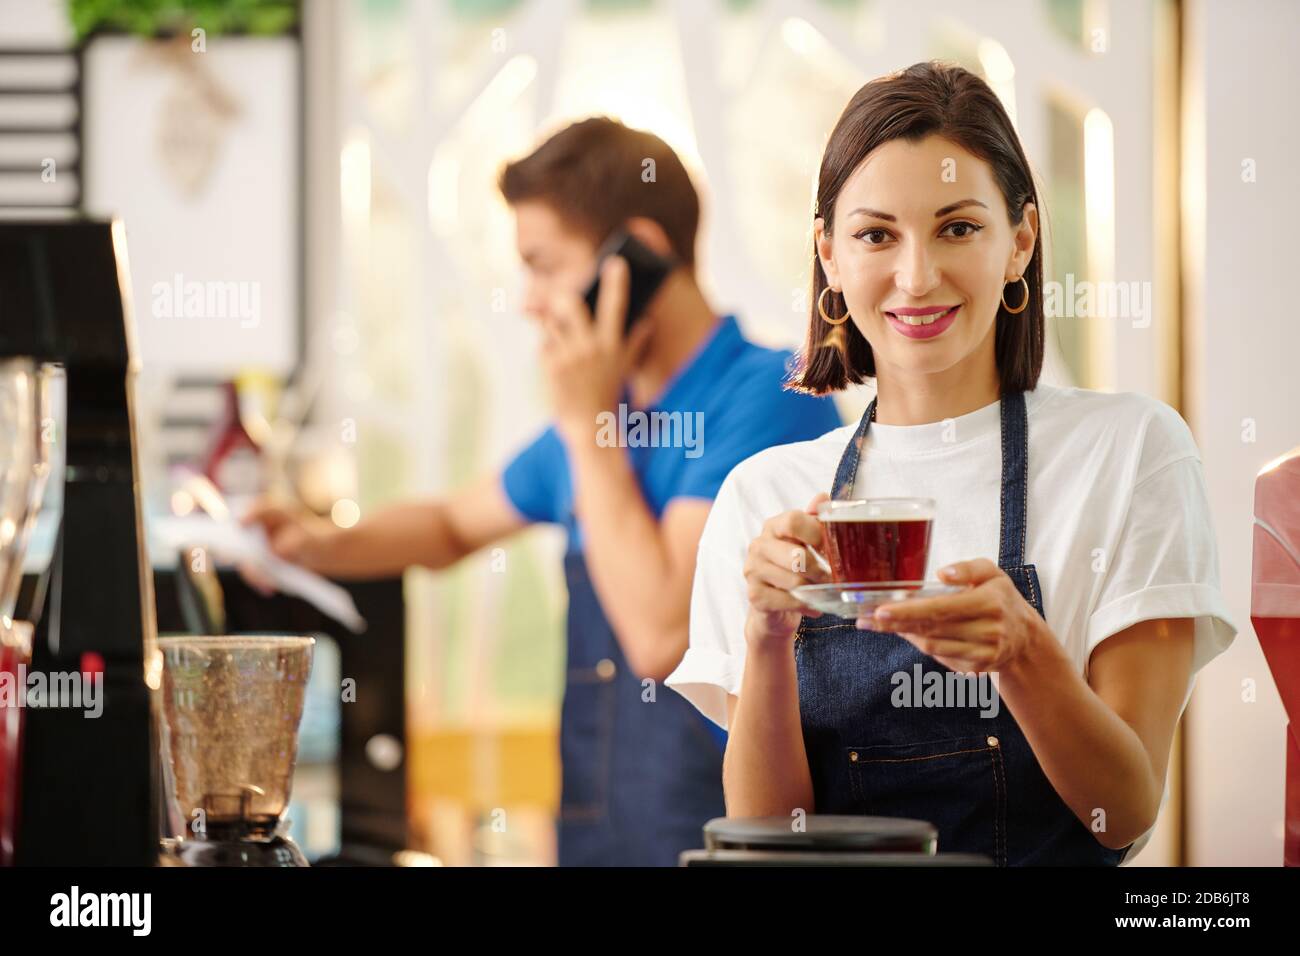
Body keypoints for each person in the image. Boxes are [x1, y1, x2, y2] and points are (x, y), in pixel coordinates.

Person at [664, 62, 1237, 865]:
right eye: (875, 235)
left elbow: (1124, 815)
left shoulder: (1131, 451)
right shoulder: (764, 494)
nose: (917, 275)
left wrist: (1024, 654)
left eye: (958, 227)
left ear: (1021, 242)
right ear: (829, 256)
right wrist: (765, 635)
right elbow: (766, 837)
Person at [244, 117, 841, 866]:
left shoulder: (768, 394)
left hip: (715, 834)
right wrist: (315, 542)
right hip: (596, 832)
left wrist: (590, 427)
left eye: (544, 265)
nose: (529, 301)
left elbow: (661, 634)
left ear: (640, 258)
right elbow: (450, 527)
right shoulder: (600, 414)